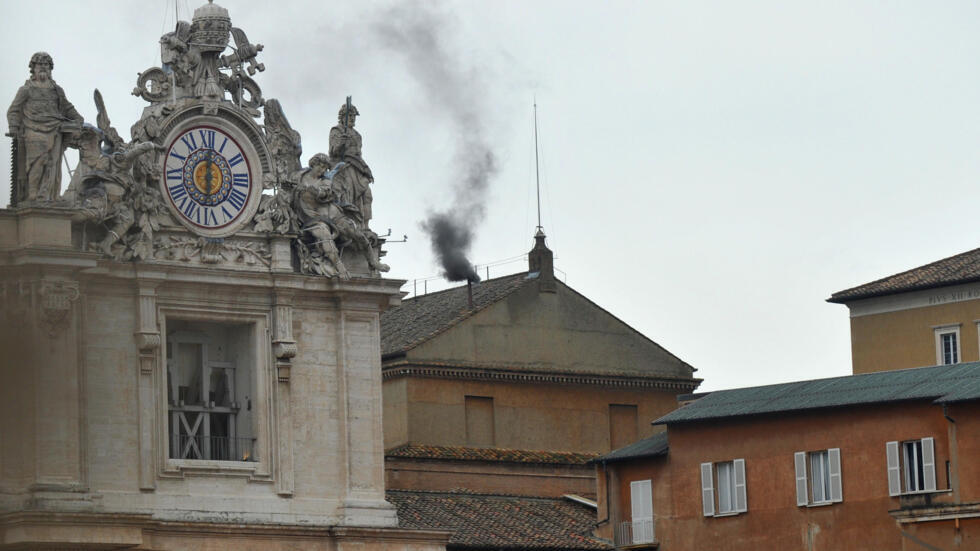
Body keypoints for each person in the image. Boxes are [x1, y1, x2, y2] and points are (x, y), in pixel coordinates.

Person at [293, 153, 389, 278]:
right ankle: (340, 268)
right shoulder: (298, 176)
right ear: (313, 164)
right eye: (320, 166)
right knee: (324, 234)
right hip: (312, 217)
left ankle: (373, 261)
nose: (322, 170)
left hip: (331, 213)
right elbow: (287, 193)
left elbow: (325, 193)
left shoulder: (325, 180)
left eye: (324, 168)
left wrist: (315, 190)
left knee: (355, 232)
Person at [6, 52, 84, 203]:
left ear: (50, 69)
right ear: (33, 68)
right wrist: (13, 126)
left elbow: (68, 108)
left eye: (46, 65)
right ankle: (33, 195)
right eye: (39, 65)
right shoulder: (26, 89)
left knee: (52, 164)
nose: (43, 68)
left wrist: (78, 118)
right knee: (37, 162)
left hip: (55, 129)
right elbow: (13, 110)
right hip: (33, 129)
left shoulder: (57, 90)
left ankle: (47, 196)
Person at [328, 103, 374, 227]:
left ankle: (365, 226)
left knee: (367, 195)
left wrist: (366, 170)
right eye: (350, 116)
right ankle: (349, 222)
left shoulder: (357, 136)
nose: (352, 119)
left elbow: (358, 154)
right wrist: (340, 144)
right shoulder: (336, 131)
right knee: (348, 194)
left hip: (357, 167)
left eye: (354, 116)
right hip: (343, 167)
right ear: (342, 117)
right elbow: (333, 152)